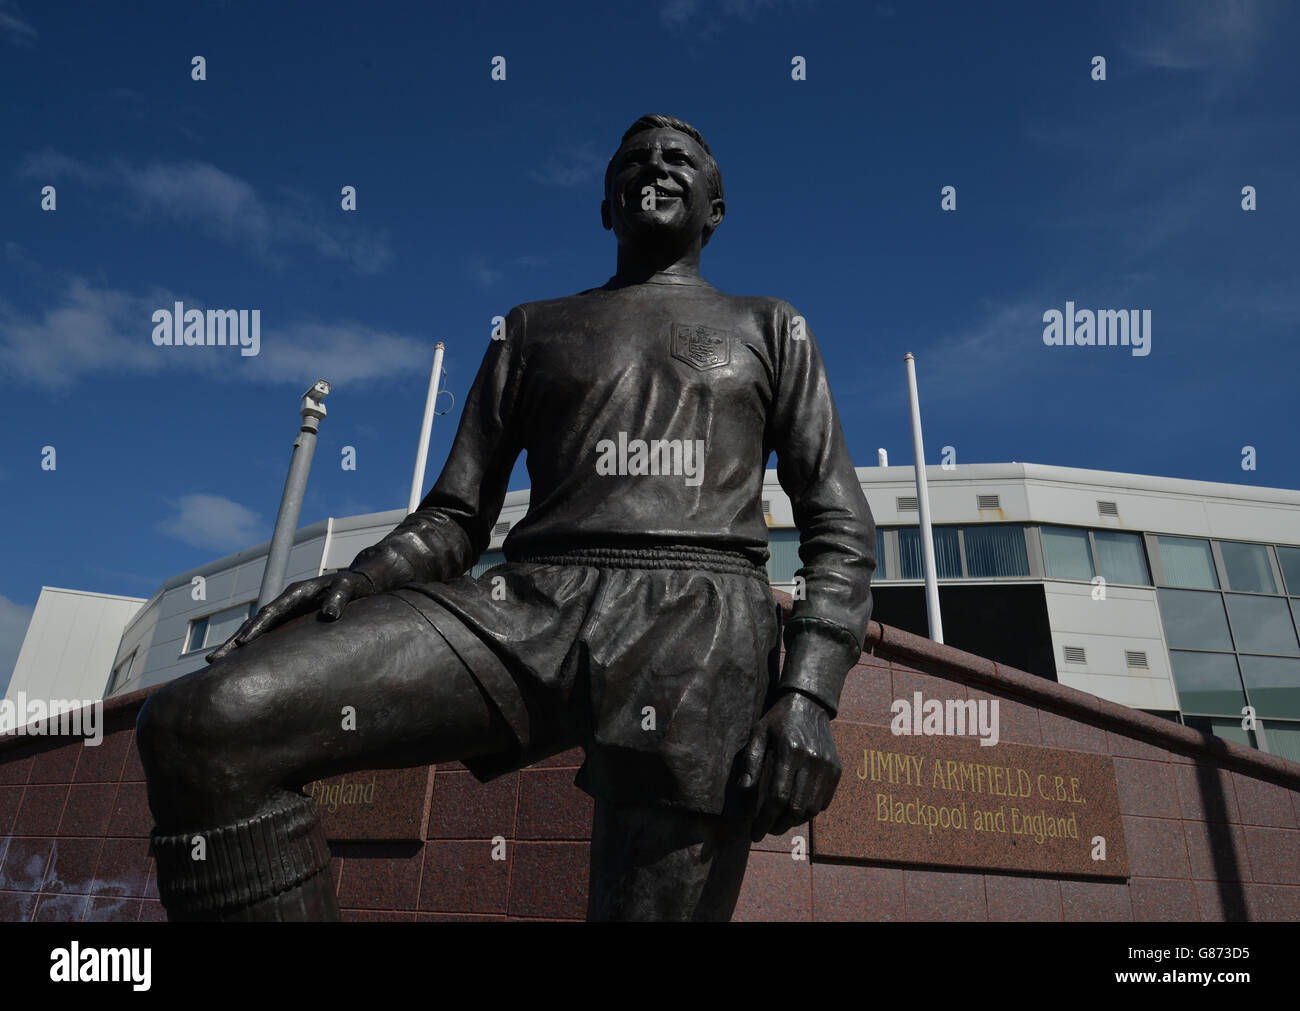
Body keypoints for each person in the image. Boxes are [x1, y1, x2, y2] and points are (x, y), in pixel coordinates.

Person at [136, 113, 876, 921]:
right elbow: (456, 514)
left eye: (678, 160)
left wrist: (808, 694)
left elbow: (839, 531)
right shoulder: (532, 328)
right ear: (604, 208)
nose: (653, 168)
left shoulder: (770, 326)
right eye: (632, 160)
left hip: (700, 620)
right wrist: (366, 574)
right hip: (529, 602)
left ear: (716, 210)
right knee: (203, 723)